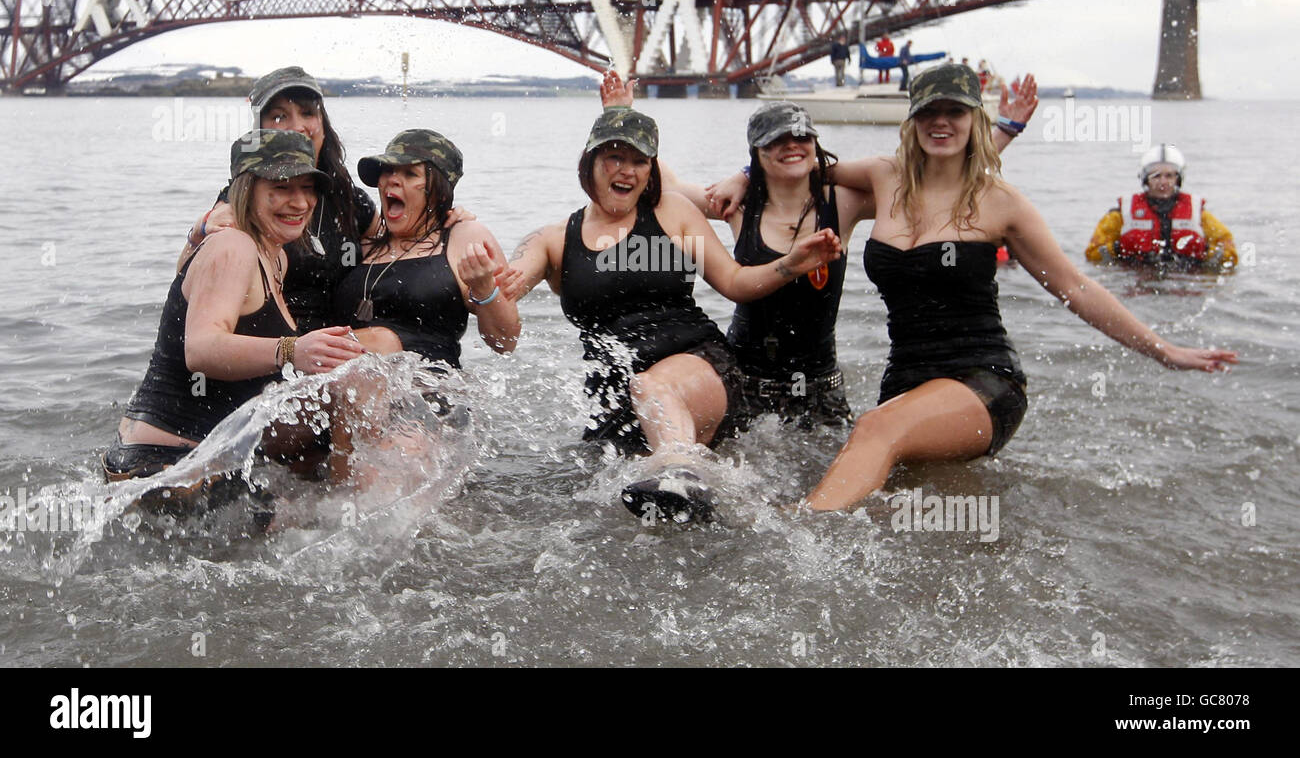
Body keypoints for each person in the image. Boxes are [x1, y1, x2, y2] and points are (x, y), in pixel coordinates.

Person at [785, 63, 1237, 512]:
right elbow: (797, 168)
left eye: (955, 112)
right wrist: (736, 180)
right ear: (912, 120)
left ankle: (798, 535)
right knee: (899, 505)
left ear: (975, 120)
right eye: (929, 112)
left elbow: (1075, 288)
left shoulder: (1002, 203)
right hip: (905, 380)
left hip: (984, 384)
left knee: (874, 431)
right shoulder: (885, 177)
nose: (940, 121)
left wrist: (1164, 351)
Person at [499, 104, 842, 523]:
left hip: (700, 368)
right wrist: (486, 287)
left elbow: (734, 282)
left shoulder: (672, 212)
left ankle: (681, 468)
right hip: (614, 398)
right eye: (614, 158)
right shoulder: (554, 239)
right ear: (588, 162)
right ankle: (688, 485)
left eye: (639, 161)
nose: (626, 170)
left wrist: (792, 263)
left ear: (650, 171)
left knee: (653, 389)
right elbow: (507, 298)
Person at [667, 72, 1038, 429]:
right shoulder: (739, 207)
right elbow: (663, 187)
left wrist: (1004, 131)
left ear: (815, 145)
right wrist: (624, 117)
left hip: (820, 387)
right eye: (776, 141)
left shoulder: (843, 203)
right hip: (743, 379)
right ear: (757, 154)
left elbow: (936, 181)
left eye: (801, 137)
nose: (791, 146)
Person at [107, 130, 367, 520]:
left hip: (199, 458)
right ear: (245, 189)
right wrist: (292, 350)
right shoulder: (234, 247)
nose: (299, 202)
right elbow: (202, 349)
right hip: (161, 466)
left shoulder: (273, 255)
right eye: (281, 187)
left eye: (308, 187)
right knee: (315, 530)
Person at [179, 67, 380, 331]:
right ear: (259, 130)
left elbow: (400, 250)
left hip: (342, 347)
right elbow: (189, 276)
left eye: (308, 113)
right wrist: (199, 231)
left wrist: (450, 224)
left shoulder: (351, 200)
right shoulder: (241, 201)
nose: (297, 126)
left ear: (323, 123)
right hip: (273, 353)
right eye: (278, 116)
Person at [333, 129, 519, 366]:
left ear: (439, 192)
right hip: (350, 383)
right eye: (387, 170)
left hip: (429, 390)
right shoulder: (366, 243)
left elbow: (505, 342)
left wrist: (485, 290)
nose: (392, 179)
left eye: (410, 174)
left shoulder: (464, 236)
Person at [1085, 144, 1237, 271]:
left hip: (1186, 284)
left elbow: (1230, 254)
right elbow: (1092, 254)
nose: (1163, 182)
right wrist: (1118, 248)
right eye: (1156, 176)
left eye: (1169, 176)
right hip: (1136, 282)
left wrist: (1204, 251)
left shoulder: (1199, 214)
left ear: (1178, 179)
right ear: (1145, 179)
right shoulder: (1120, 214)